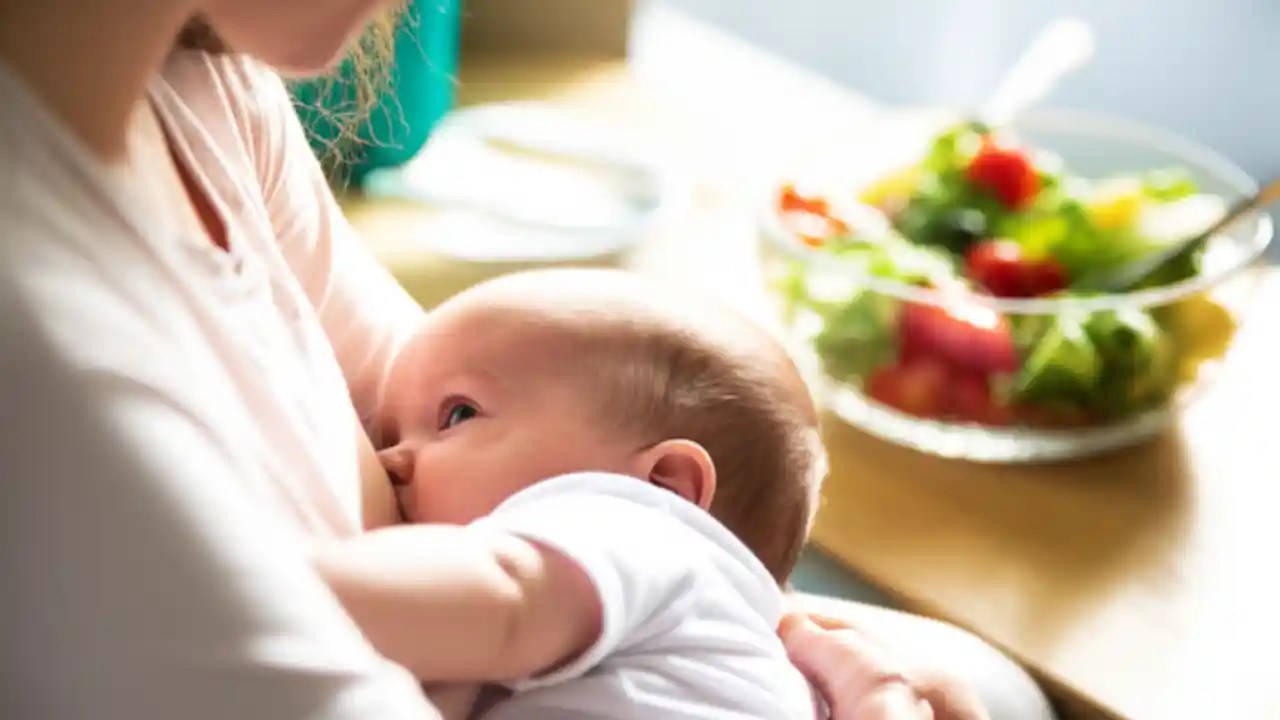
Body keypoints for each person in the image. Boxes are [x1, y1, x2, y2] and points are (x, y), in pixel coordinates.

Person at [0, 2, 1054, 719]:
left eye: (446, 425)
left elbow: (531, 483)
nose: (401, 459)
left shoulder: (201, 93)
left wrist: (777, 623)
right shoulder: (44, 368)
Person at [315, 268, 825, 718]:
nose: (389, 462)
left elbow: (503, 592)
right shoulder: (744, 657)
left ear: (665, 485)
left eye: (458, 414)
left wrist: (269, 583)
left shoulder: (640, 528)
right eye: (389, 437)